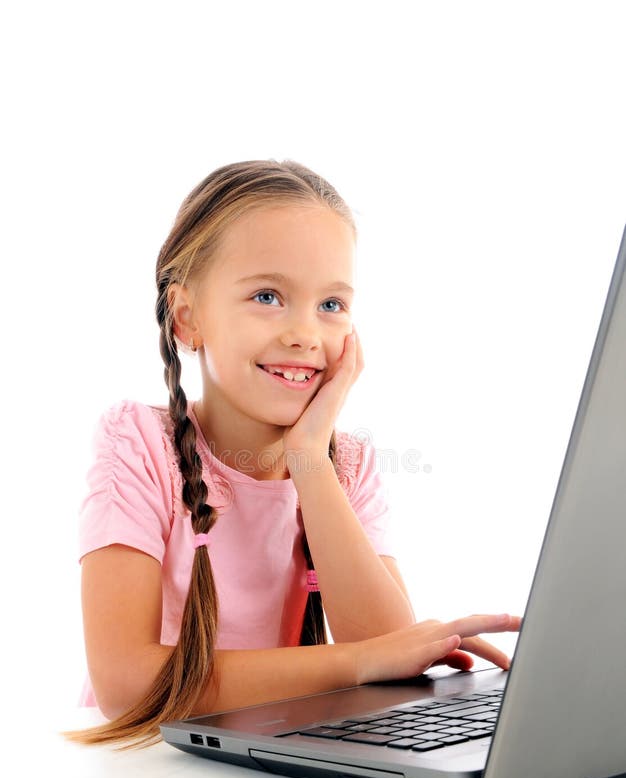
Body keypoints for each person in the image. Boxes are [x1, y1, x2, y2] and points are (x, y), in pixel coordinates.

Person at [66, 159, 521, 748]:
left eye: (331, 305)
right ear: (188, 317)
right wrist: (353, 664)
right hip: (147, 763)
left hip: (268, 758)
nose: (305, 333)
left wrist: (309, 459)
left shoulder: (347, 466)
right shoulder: (139, 445)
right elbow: (126, 682)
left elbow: (388, 651)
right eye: (268, 296)